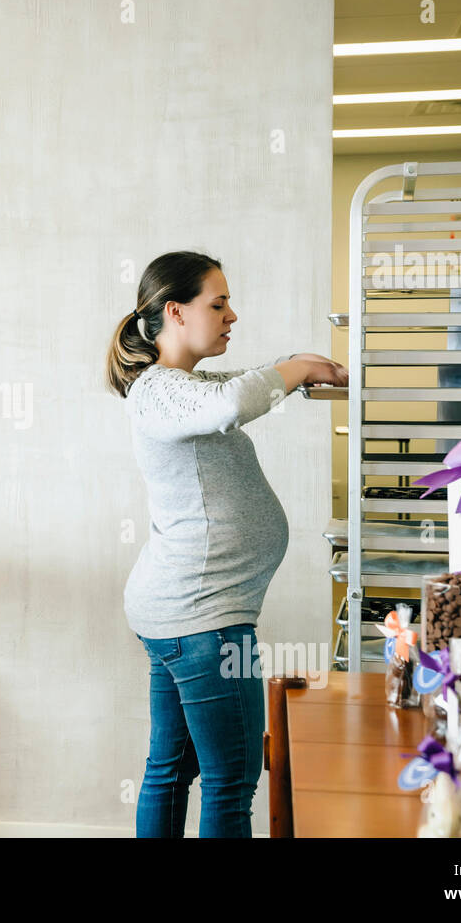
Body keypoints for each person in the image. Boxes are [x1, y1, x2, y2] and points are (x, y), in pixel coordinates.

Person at [105, 250, 347, 837]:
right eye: (218, 304)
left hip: (184, 615)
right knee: (231, 777)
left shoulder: (181, 384)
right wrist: (294, 370)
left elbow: (238, 387)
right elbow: (233, 402)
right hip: (201, 619)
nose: (231, 315)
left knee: (173, 767)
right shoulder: (160, 390)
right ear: (176, 312)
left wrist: (297, 365)